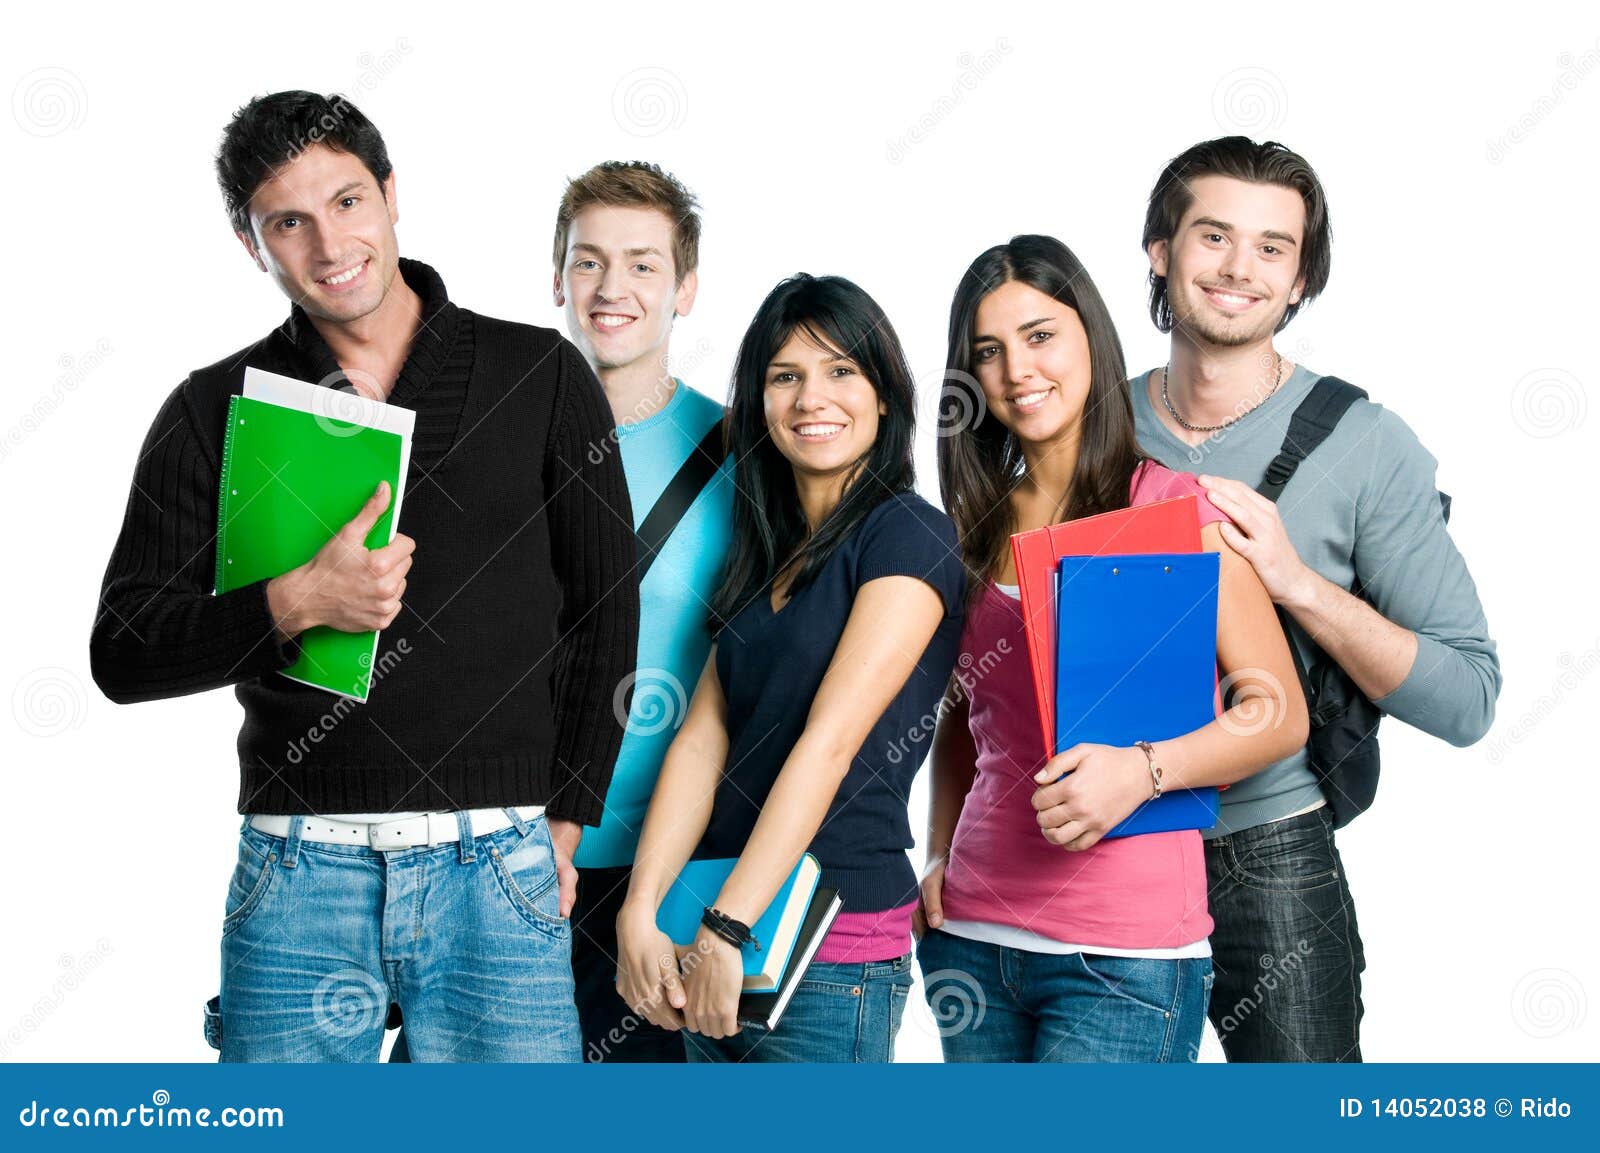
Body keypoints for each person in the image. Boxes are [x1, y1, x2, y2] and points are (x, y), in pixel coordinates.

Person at [87, 91, 638, 1062]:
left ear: (390, 196)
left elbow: (603, 610)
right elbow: (124, 651)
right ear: (251, 243)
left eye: (347, 201)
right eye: (286, 222)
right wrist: (293, 603)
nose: (327, 241)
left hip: (495, 861)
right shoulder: (215, 409)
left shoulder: (540, 373)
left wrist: (566, 818)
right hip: (299, 866)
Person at [1129, 137, 1501, 1061]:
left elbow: (1468, 696)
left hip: (1270, 847)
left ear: (1300, 282)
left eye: (1272, 248)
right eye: (1213, 236)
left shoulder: (1366, 445)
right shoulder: (1087, 415)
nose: (1237, 269)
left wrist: (1296, 583)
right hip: (1103, 839)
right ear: (1159, 251)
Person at [917, 234, 1308, 1062]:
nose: (1017, 369)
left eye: (1040, 335)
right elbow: (962, 718)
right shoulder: (970, 530)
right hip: (973, 937)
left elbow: (1276, 713)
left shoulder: (1178, 511)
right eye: (988, 351)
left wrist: (1143, 770)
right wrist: (941, 852)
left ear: (1090, 335)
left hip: (1124, 957)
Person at [615, 274, 965, 1062]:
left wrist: (728, 924)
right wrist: (643, 907)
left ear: (885, 394)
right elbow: (701, 741)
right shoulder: (761, 552)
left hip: (824, 949)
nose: (813, 397)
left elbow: (830, 743)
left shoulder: (908, 534)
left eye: (842, 370)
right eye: (785, 376)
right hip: (710, 933)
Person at [553, 161, 734, 1062]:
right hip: (506, 860)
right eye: (588, 262)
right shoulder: (501, 440)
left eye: (642, 264)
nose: (611, 288)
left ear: (686, 287)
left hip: (662, 870)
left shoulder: (745, 453)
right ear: (558, 279)